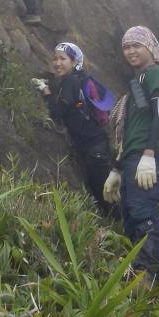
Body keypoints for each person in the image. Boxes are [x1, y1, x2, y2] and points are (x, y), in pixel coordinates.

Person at [103, 26, 159, 282]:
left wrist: (149, 153)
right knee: (132, 215)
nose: (131, 51)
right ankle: (136, 274)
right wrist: (116, 168)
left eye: (137, 45)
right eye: (126, 46)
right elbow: (130, 129)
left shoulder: (155, 73)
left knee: (144, 214)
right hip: (132, 158)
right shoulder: (137, 83)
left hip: (147, 158)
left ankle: (146, 277)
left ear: (150, 47)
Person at [31, 42, 117, 215]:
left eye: (63, 59)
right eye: (55, 59)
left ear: (74, 61)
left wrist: (45, 90)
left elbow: (57, 111)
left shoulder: (71, 81)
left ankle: (121, 232)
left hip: (93, 149)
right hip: (96, 145)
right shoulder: (78, 78)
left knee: (106, 198)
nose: (57, 63)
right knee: (105, 195)